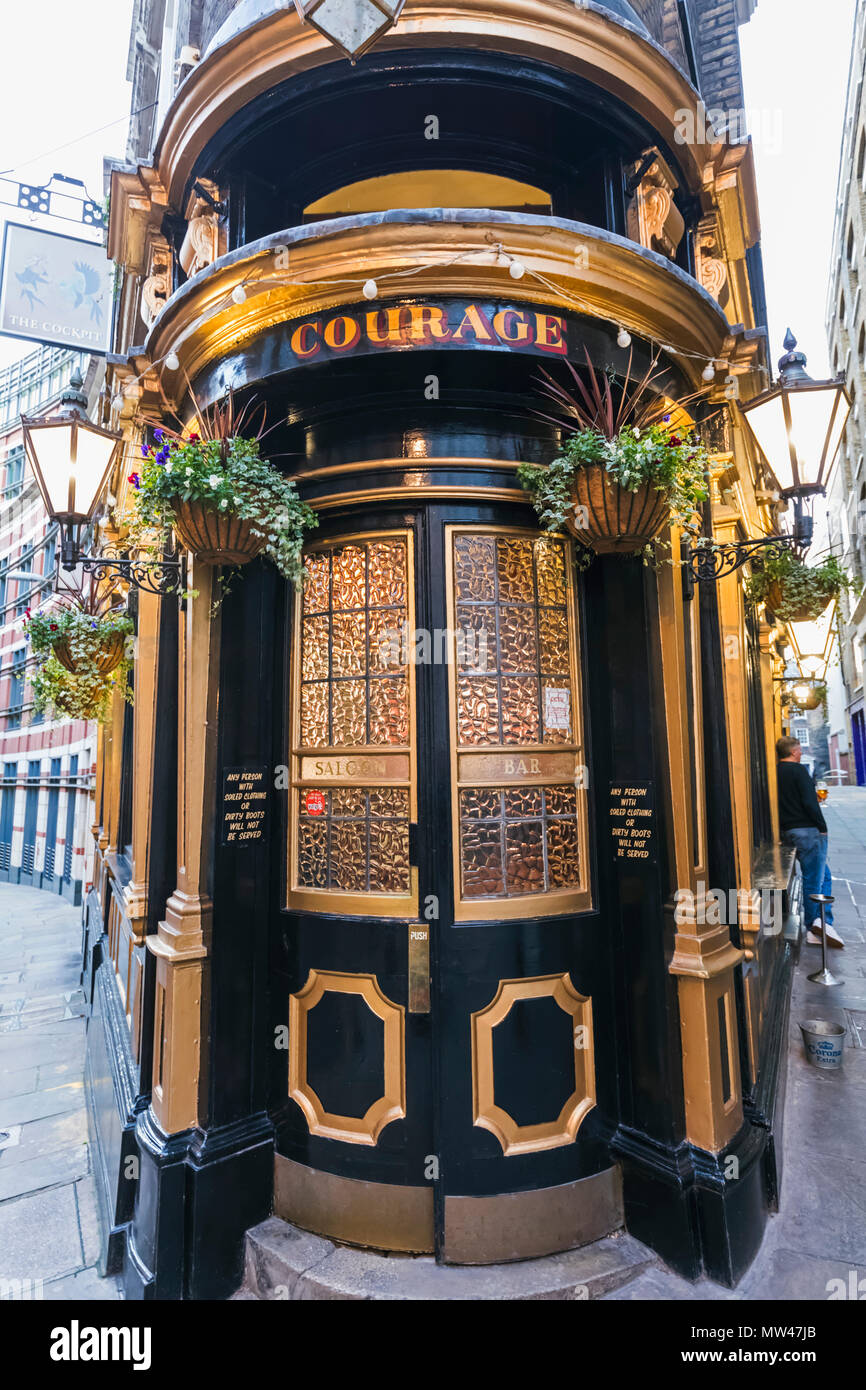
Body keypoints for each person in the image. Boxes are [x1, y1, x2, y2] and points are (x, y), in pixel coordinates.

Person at [776, 736, 844, 949]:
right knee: (814, 878)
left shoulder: (776, 771)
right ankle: (814, 926)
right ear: (794, 751)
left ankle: (824, 921)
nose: (801, 753)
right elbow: (808, 802)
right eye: (799, 749)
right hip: (807, 830)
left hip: (788, 830)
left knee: (822, 874)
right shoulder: (799, 771)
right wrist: (822, 827)